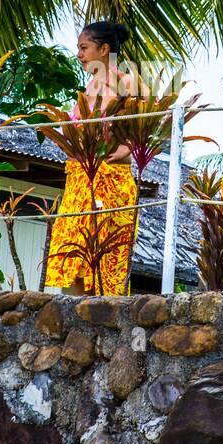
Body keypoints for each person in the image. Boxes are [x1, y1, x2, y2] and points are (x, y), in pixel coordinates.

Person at [42, 21, 139, 296]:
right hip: (79, 180)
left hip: (111, 181)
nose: (79, 54)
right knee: (73, 252)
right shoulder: (89, 87)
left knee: (104, 255)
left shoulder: (127, 82)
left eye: (84, 48)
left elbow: (145, 127)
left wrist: (117, 154)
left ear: (104, 48)